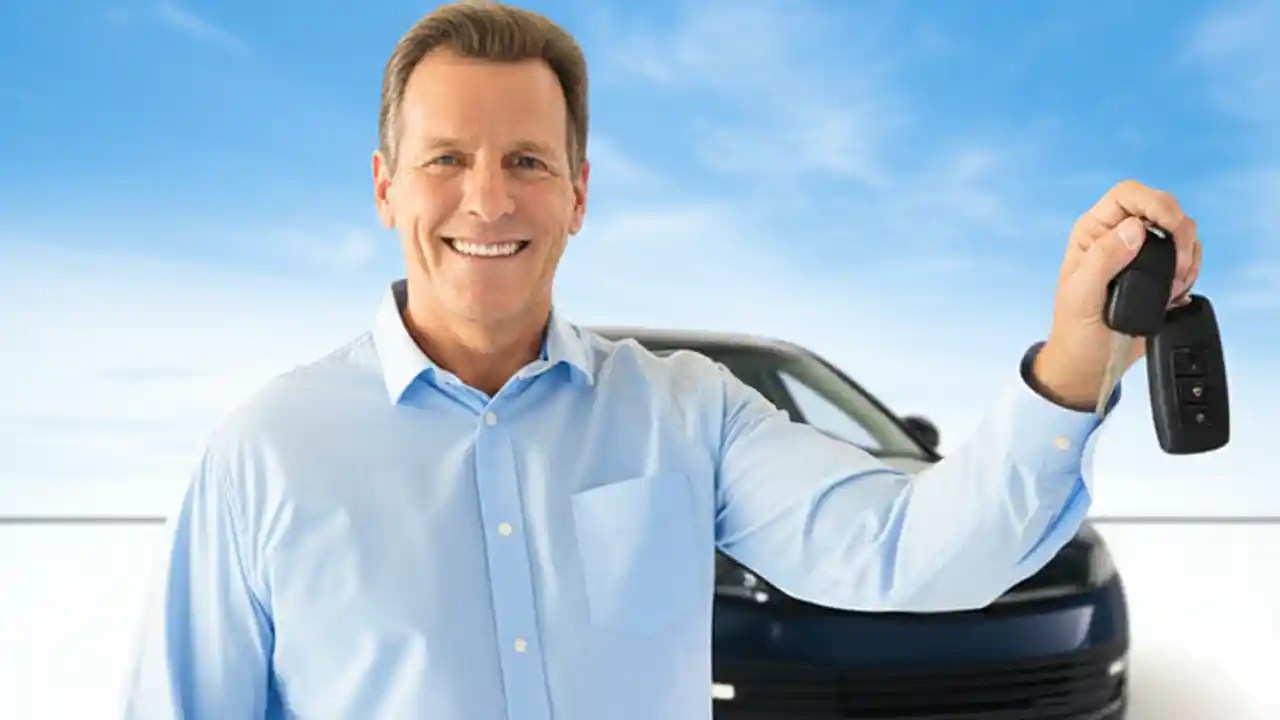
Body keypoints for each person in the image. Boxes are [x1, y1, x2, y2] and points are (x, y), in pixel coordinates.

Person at [120, 1, 1202, 718]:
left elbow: (917, 550)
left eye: (528, 162)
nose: (487, 200)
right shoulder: (268, 450)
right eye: (445, 159)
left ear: (579, 193)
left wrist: (1079, 352)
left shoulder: (684, 415)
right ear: (384, 188)